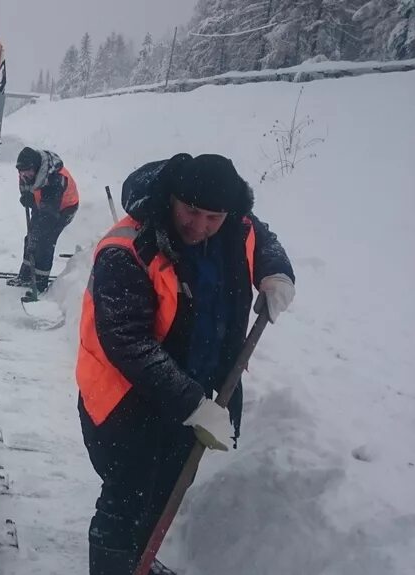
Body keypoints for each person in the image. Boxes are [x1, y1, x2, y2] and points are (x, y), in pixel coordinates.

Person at [75, 153, 296, 575]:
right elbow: (127, 342)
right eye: (191, 211)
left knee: (168, 489)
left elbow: (260, 237)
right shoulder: (129, 247)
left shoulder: (235, 227)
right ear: (172, 198)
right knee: (128, 496)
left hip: (188, 393)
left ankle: (137, 561)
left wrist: (276, 272)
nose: (200, 226)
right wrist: (195, 404)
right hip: (122, 397)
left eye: (214, 217)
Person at [9, 147, 80, 293]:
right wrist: (27, 197)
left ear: (35, 167)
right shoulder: (26, 172)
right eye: (20, 170)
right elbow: (27, 188)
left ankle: (40, 283)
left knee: (45, 242)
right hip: (43, 203)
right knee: (30, 239)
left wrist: (37, 234)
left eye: (26, 170)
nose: (23, 174)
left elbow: (48, 216)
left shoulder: (55, 178)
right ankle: (26, 276)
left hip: (63, 208)